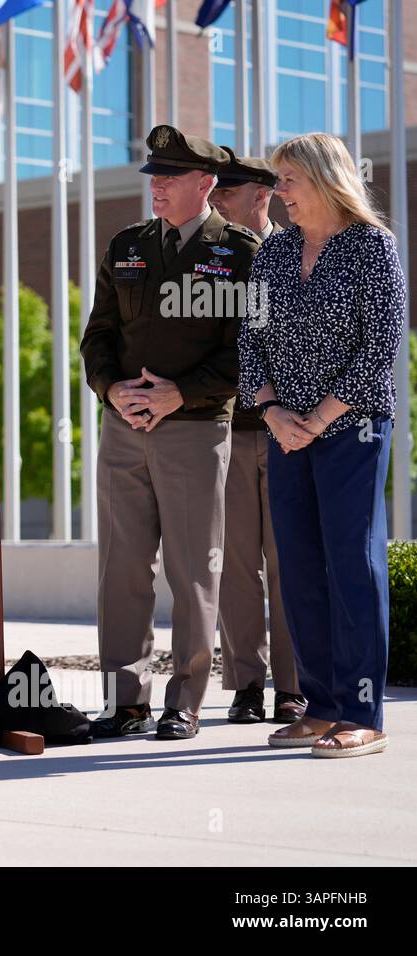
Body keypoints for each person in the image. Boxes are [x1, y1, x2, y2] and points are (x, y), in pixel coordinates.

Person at [81, 125, 260, 740]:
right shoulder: (126, 245)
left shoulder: (242, 252)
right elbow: (97, 336)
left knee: (193, 569)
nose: (155, 187)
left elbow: (252, 349)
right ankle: (124, 700)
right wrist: (112, 389)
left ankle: (183, 700)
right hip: (123, 428)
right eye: (153, 177)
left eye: (170, 178)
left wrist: (180, 392)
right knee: (123, 569)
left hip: (194, 430)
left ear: (206, 184)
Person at [239, 132, 405, 758]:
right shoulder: (274, 254)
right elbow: (250, 339)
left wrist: (319, 417)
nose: (278, 194)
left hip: (354, 426)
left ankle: (363, 712)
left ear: (325, 180)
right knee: (300, 565)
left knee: (352, 562)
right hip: (285, 429)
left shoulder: (373, 247)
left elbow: (380, 344)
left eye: (287, 181)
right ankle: (322, 705)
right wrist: (276, 409)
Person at [209, 151, 306, 725]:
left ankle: (293, 687)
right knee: (236, 568)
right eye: (216, 191)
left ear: (260, 196)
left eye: (227, 191)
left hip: (290, 432)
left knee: (289, 561)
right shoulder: (210, 257)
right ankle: (247, 684)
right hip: (229, 432)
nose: (217, 199)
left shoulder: (292, 252)